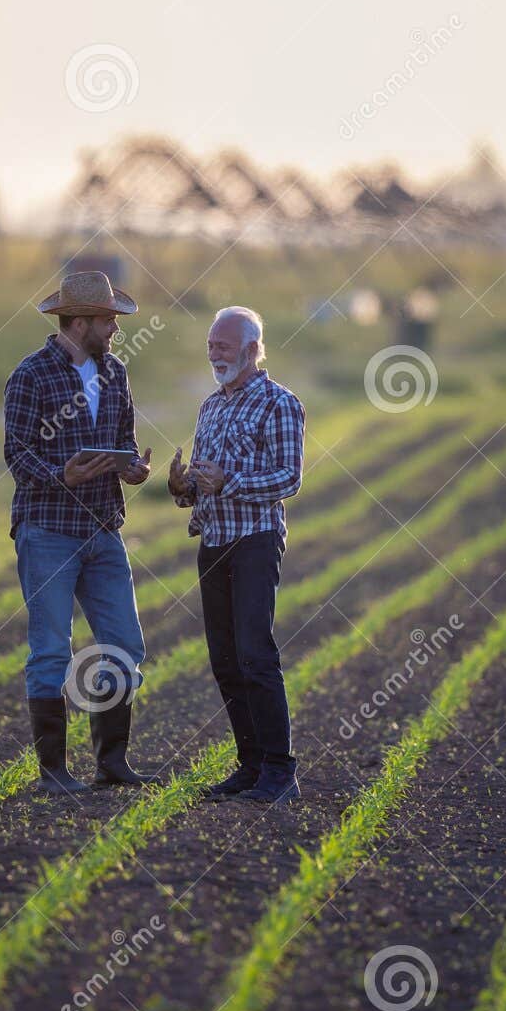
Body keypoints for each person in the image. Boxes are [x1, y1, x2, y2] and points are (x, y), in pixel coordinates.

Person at [3, 271, 158, 794]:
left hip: (103, 529)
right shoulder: (31, 375)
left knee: (124, 645)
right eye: (109, 319)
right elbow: (16, 452)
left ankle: (110, 763)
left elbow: (124, 442)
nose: (116, 328)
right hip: (48, 531)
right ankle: (53, 771)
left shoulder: (115, 373)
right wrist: (58, 475)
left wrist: (133, 469)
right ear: (81, 321)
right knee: (51, 650)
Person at [169, 306, 306, 804]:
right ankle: (250, 766)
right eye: (210, 345)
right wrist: (183, 487)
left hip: (254, 541)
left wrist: (230, 482)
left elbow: (289, 479)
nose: (213, 353)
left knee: (255, 654)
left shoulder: (279, 404)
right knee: (225, 661)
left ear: (252, 350)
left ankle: (280, 768)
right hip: (214, 542)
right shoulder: (211, 406)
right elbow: (205, 483)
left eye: (222, 346)